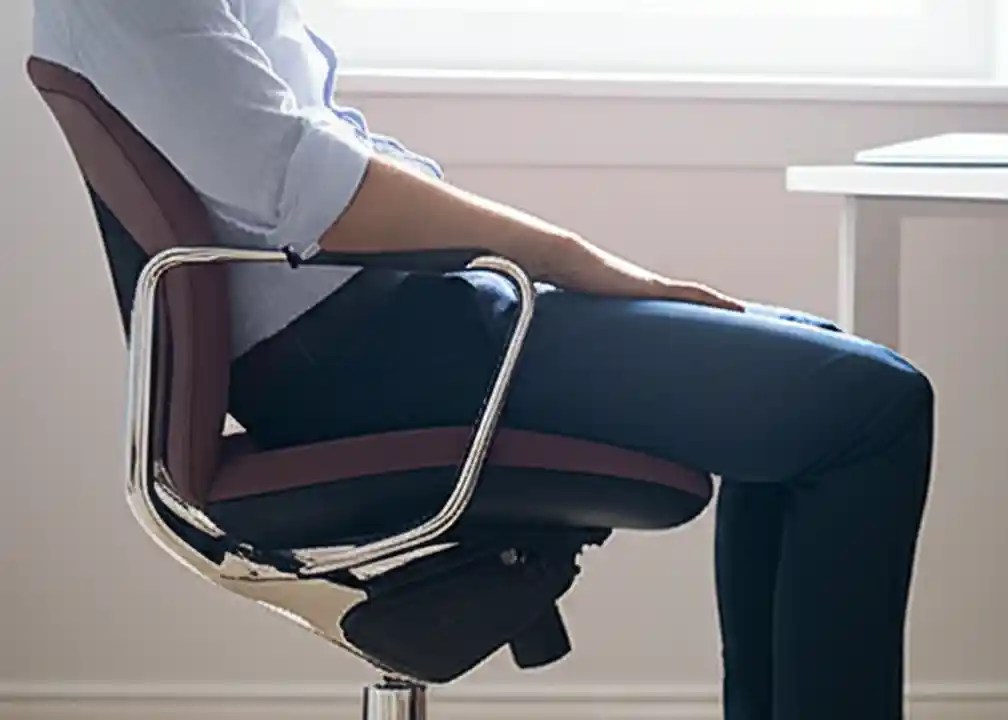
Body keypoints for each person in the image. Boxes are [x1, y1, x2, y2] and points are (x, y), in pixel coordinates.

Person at [33, 2, 934, 717]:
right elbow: (315, 194)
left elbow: (321, 161)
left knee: (822, 376)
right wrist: (569, 255)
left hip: (394, 327)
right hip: (365, 356)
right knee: (869, 410)